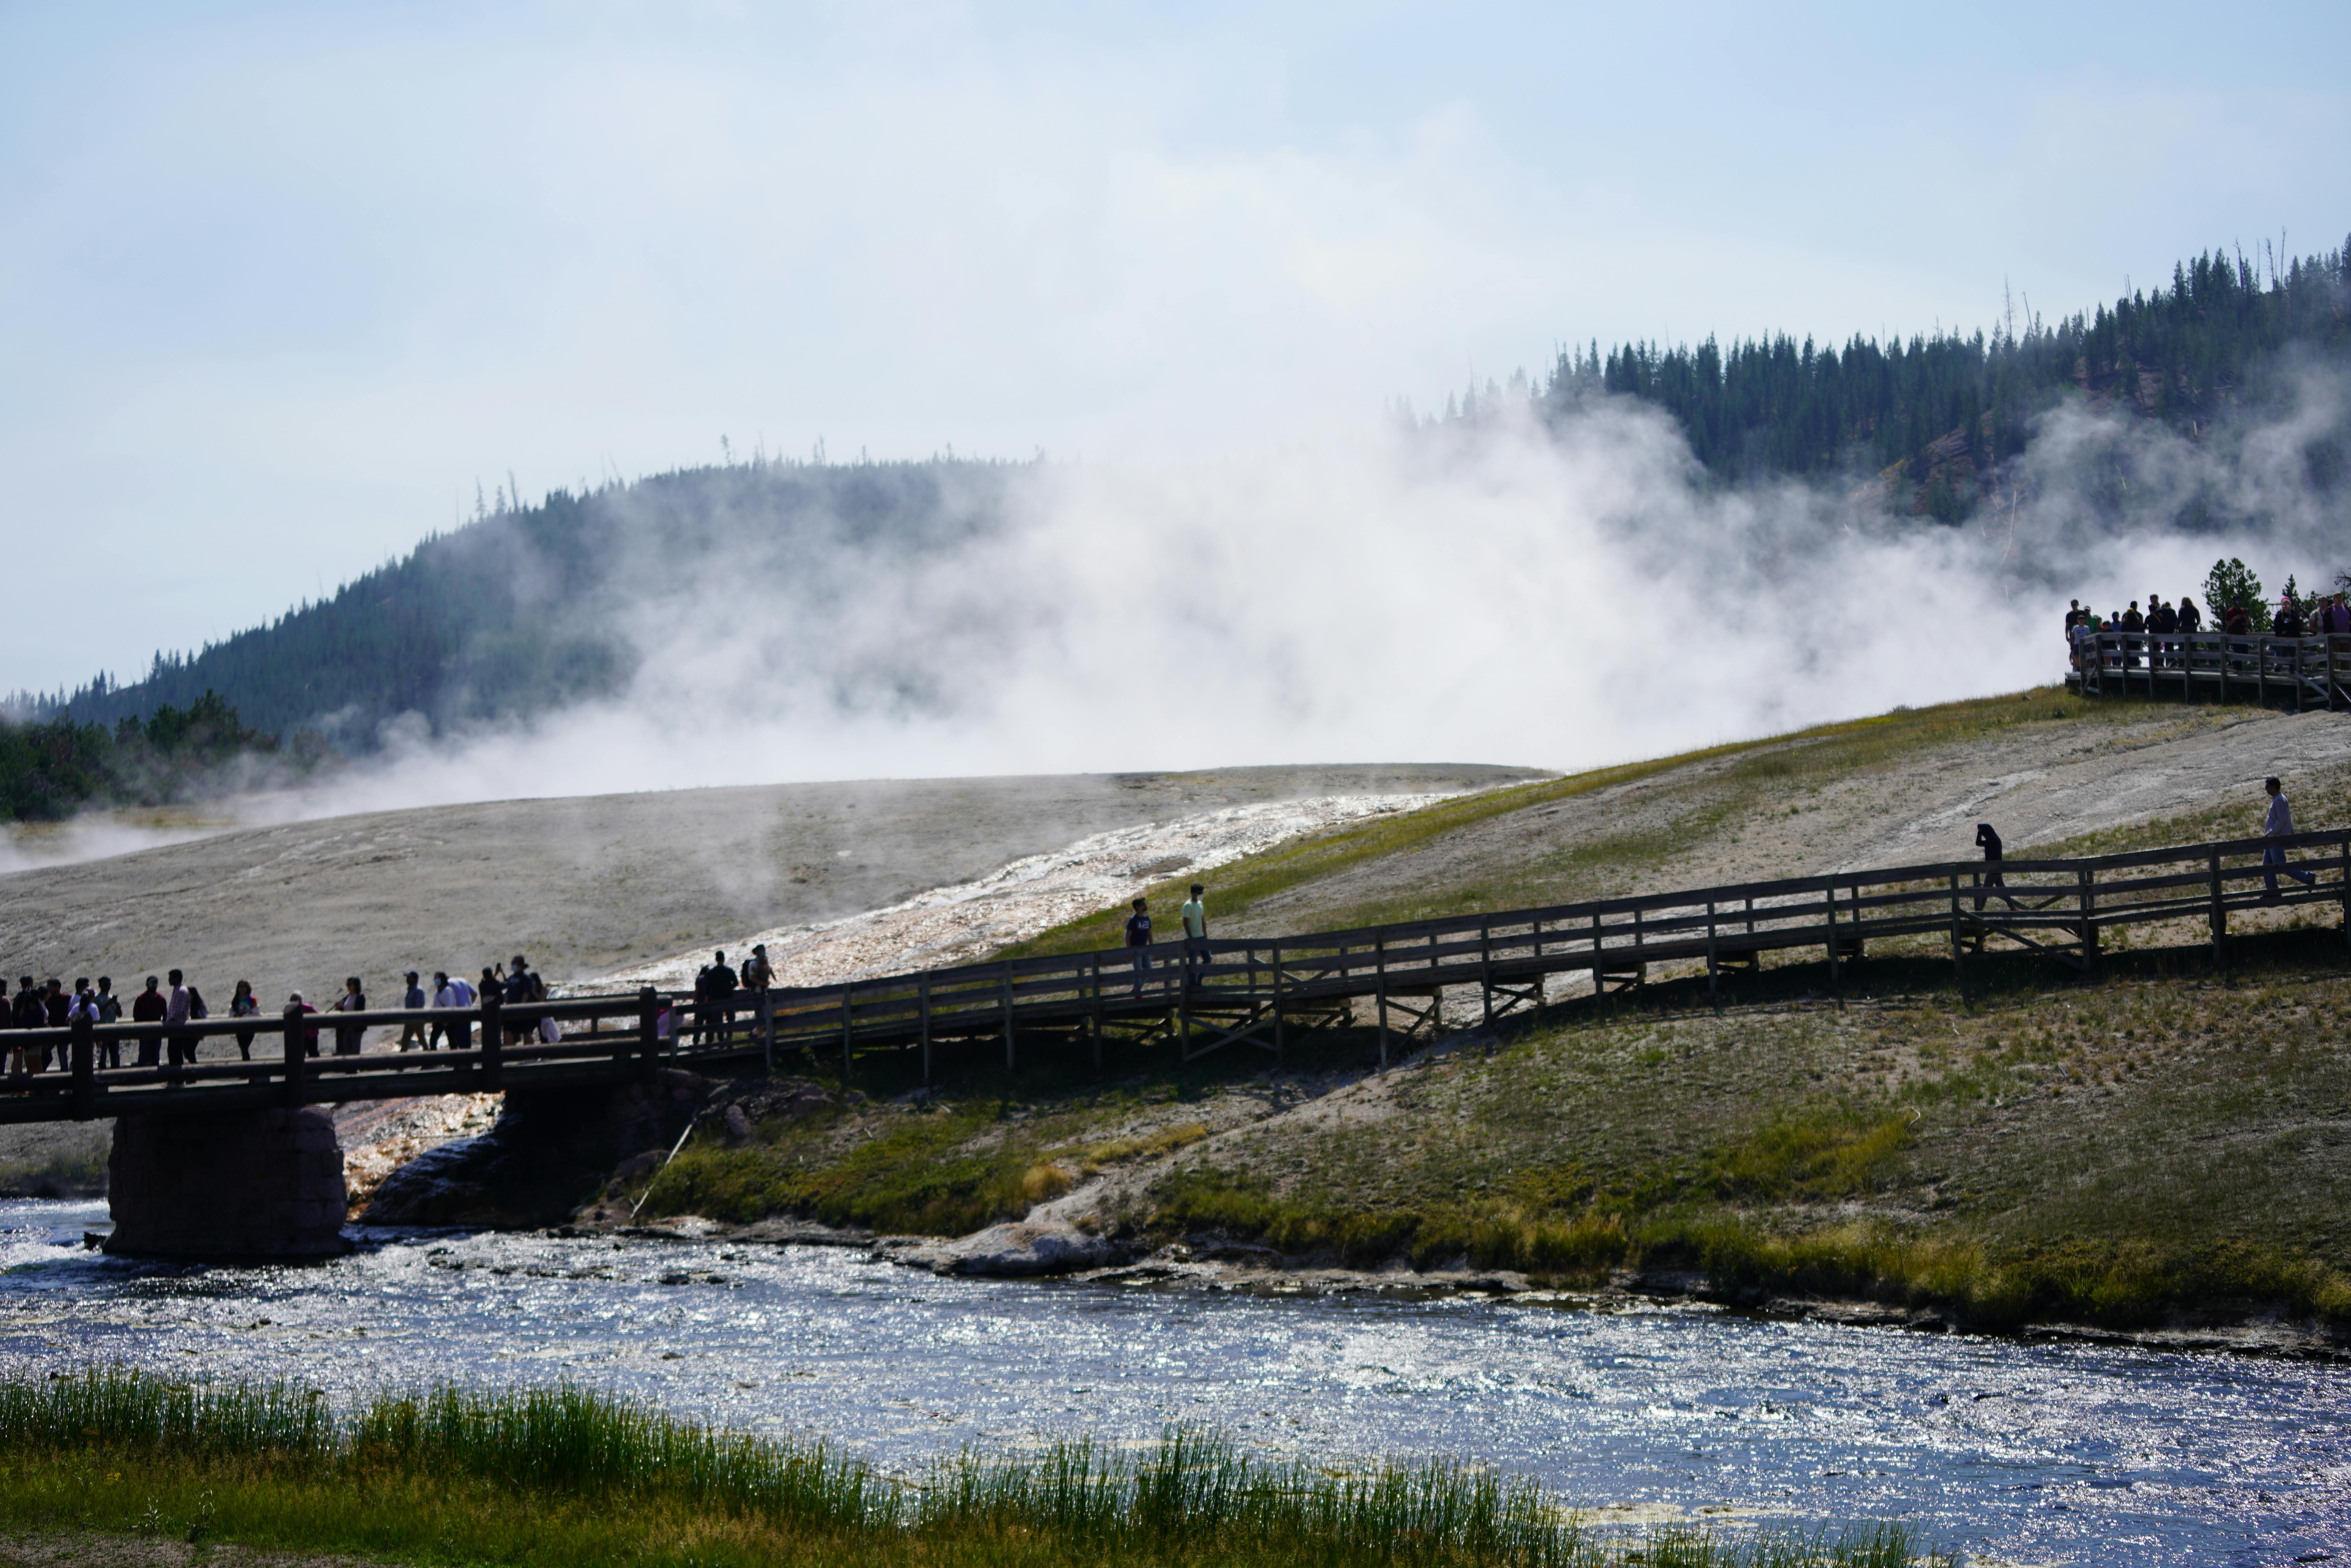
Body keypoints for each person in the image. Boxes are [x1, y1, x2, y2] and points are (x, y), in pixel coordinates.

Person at [2262, 776, 2317, 899]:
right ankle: (2273, 892)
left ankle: (2308, 877)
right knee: (2267, 866)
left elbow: (2282, 821)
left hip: (2277, 839)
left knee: (2280, 866)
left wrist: (2271, 834)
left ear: (2274, 787)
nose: (2266, 789)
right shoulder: (2277, 800)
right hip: (2272, 840)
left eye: (2268, 786)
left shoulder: (2280, 801)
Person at [1973, 822, 2019, 911]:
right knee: (2002, 889)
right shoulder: (1995, 839)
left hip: (1994, 868)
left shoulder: (1992, 840)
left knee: (1986, 889)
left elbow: (1978, 843)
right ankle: (2013, 908)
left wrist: (1979, 832)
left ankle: (1980, 909)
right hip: (1998, 867)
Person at [131, 976, 166, 1067]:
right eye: (151, 984)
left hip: (157, 1031)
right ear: (147, 985)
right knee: (143, 1052)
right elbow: (136, 1016)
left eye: (155, 984)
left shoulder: (161, 999)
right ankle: (141, 1075)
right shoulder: (141, 999)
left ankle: (155, 1076)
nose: (153, 986)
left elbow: (166, 1015)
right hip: (144, 1031)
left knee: (156, 1053)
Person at [705, 950, 738, 1045]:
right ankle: (729, 1037)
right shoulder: (729, 971)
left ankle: (721, 1040)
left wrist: (706, 1002)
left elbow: (707, 989)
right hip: (728, 998)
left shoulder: (711, 973)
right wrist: (729, 988)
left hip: (716, 999)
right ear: (724, 959)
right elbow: (736, 983)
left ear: (716, 959)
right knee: (731, 1017)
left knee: (719, 1021)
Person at [1180, 883, 1210, 987]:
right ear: (1193, 894)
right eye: (1199, 893)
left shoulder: (1200, 904)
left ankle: (1198, 981)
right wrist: (1191, 938)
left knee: (1208, 959)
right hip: (1191, 938)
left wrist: (1205, 936)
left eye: (1202, 893)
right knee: (1193, 963)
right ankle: (1191, 985)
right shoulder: (1188, 906)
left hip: (1201, 937)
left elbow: (1202, 921)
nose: (1201, 895)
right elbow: (1186, 923)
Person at [1124, 896, 1154, 995]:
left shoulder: (1147, 918)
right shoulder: (1133, 920)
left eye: (1145, 904)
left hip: (1145, 949)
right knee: (1138, 972)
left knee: (1148, 970)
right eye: (1143, 904)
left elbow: (1149, 934)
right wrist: (1130, 952)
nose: (1146, 905)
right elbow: (1127, 937)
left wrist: (1152, 949)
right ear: (1138, 907)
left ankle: (1136, 989)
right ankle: (1138, 994)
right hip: (1136, 950)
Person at [331, 976, 367, 1056]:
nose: (348, 986)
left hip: (356, 1027)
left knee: (355, 1048)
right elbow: (345, 1010)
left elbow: (360, 1011)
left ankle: (355, 1066)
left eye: (349, 984)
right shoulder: (347, 997)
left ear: (355, 986)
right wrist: (339, 1008)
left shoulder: (360, 997)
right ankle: (349, 1066)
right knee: (347, 1046)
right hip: (347, 1026)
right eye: (347, 984)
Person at [228, 980, 261, 1060]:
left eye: (244, 987)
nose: (242, 989)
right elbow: (231, 1014)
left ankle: (247, 1066)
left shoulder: (252, 1000)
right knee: (243, 1048)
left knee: (245, 1047)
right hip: (239, 1028)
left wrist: (245, 1014)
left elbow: (257, 1013)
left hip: (250, 1027)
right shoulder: (235, 1000)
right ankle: (246, 1065)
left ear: (248, 988)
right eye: (240, 987)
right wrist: (236, 1015)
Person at [397, 971, 429, 1051]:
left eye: (409, 978)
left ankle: (430, 1059)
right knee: (405, 1041)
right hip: (409, 1020)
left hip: (417, 1020)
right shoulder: (411, 990)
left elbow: (419, 1007)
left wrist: (414, 1020)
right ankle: (401, 1062)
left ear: (414, 979)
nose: (407, 979)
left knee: (422, 1040)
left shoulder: (418, 991)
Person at [93, 977, 121, 1068]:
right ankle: (102, 1076)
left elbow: (120, 1015)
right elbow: (97, 1014)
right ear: (100, 985)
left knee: (115, 1054)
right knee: (102, 1055)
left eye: (109, 984)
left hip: (113, 1029)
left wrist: (117, 1006)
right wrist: (108, 1004)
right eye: (106, 984)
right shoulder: (97, 999)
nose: (108, 987)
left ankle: (116, 1073)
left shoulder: (112, 998)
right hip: (101, 1030)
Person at [288, 992, 320, 1057]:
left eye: (295, 1000)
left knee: (313, 1053)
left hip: (311, 1035)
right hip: (300, 1035)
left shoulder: (308, 1007)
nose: (293, 1001)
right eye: (292, 1000)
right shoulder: (290, 1009)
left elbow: (318, 1016)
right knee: (300, 1054)